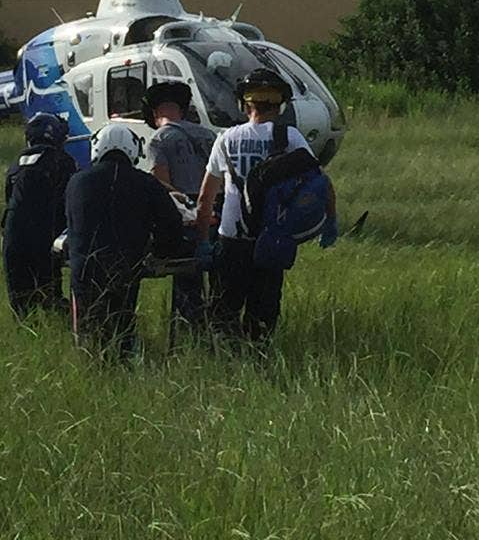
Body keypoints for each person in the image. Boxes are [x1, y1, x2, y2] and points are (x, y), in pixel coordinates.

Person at [195, 68, 338, 342]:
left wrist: (203, 242)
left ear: (244, 104)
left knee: (223, 313)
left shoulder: (225, 139)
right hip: (273, 238)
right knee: (263, 314)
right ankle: (258, 356)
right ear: (280, 105)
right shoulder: (289, 137)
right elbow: (321, 183)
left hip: (232, 240)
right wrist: (329, 221)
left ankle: (225, 358)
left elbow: (205, 198)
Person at [65, 123, 186, 358]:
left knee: (87, 330)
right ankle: (123, 360)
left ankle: (89, 364)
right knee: (122, 321)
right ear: (133, 150)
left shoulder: (77, 181)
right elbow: (171, 224)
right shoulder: (146, 182)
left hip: (84, 267)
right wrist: (160, 251)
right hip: (125, 266)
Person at [142, 81, 216, 325]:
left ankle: (190, 326)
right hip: (216, 211)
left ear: (155, 113)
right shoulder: (209, 135)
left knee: (187, 277)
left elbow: (161, 184)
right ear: (182, 110)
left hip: (188, 216)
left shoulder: (158, 140)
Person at [2, 112, 77, 319]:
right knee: (50, 296)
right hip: (44, 237)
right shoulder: (63, 161)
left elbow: (8, 200)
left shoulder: (15, 165)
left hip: (12, 238)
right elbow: (71, 202)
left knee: (21, 304)